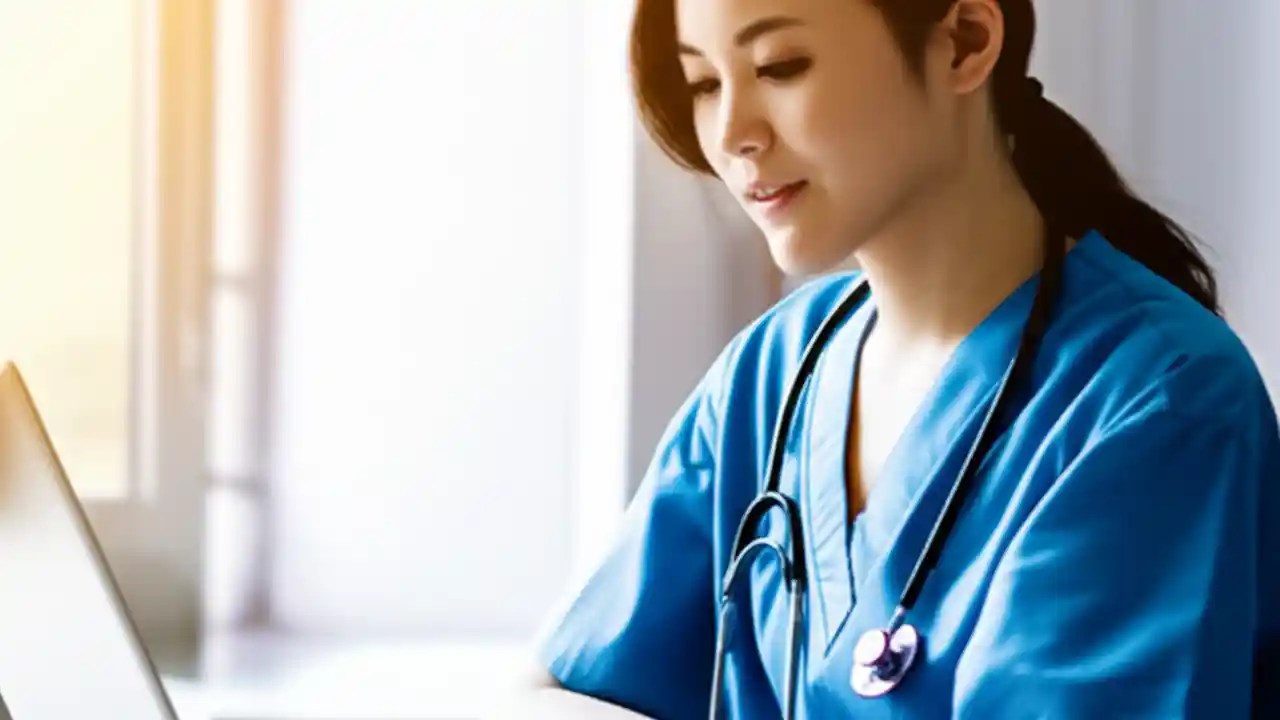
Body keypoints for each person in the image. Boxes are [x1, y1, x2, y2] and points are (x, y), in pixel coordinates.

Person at [491, 0, 1280, 717]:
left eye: (780, 66)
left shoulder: (1160, 401)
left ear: (964, 42)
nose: (732, 133)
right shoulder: (772, 373)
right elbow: (558, 694)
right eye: (703, 83)